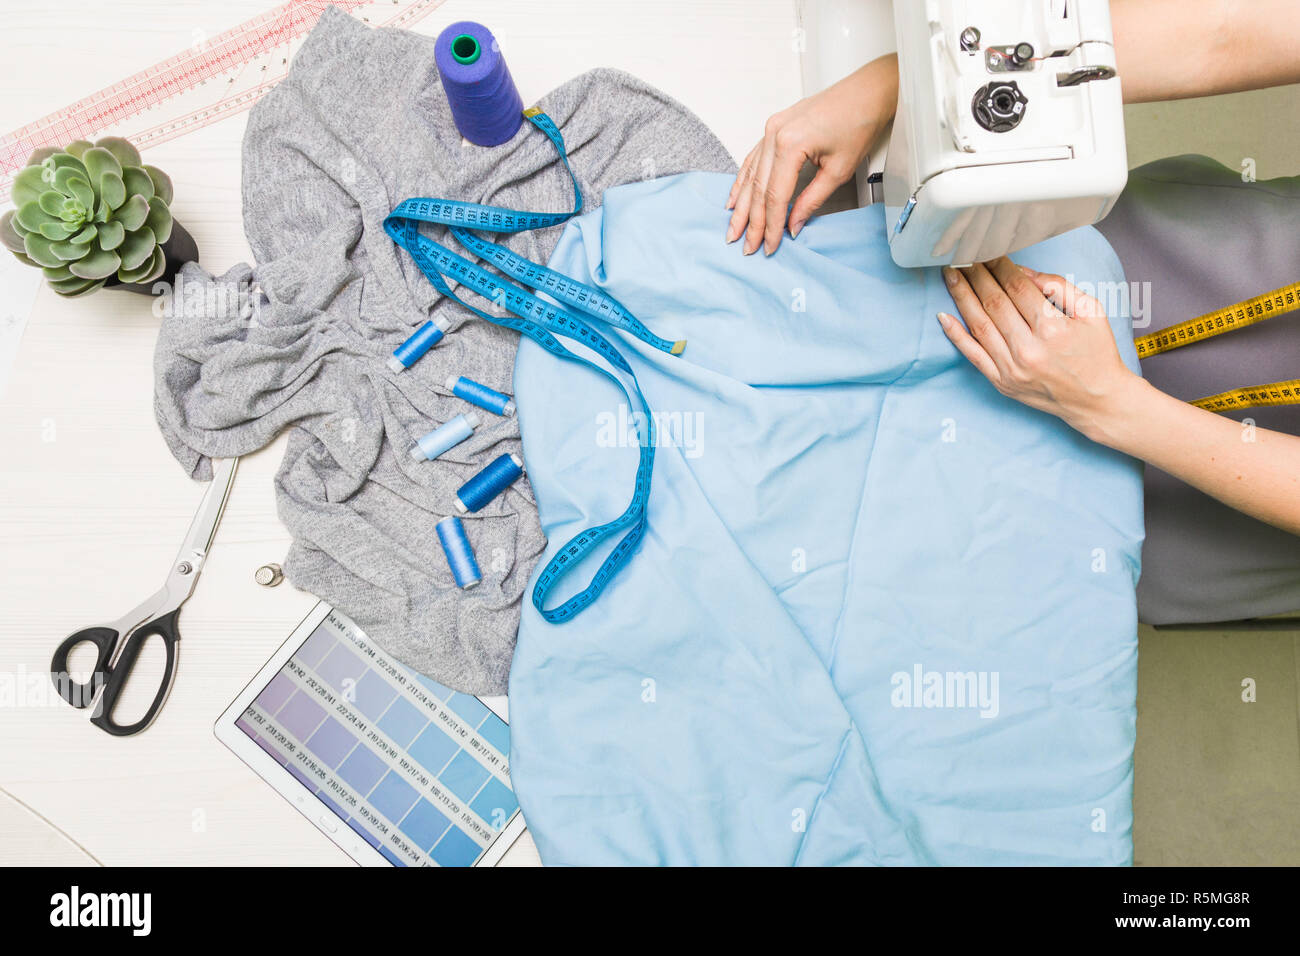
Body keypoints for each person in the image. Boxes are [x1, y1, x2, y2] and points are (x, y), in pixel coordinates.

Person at [724, 0, 1300, 548]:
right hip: (1170, 252)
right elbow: (1229, 35)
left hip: (1206, 483)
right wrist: (902, 84)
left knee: (936, 516)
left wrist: (1112, 406)